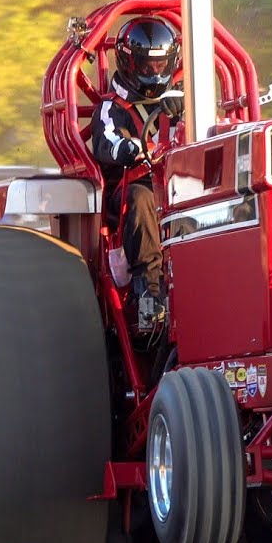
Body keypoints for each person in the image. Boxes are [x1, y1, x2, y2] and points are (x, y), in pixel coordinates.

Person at [90, 16, 182, 329]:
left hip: (176, 189)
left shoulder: (182, 100)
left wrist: (184, 117)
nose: (155, 73)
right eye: (147, 66)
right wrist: (127, 150)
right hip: (128, 193)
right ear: (129, 64)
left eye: (161, 65)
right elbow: (107, 142)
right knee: (142, 199)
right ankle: (149, 298)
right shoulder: (111, 107)